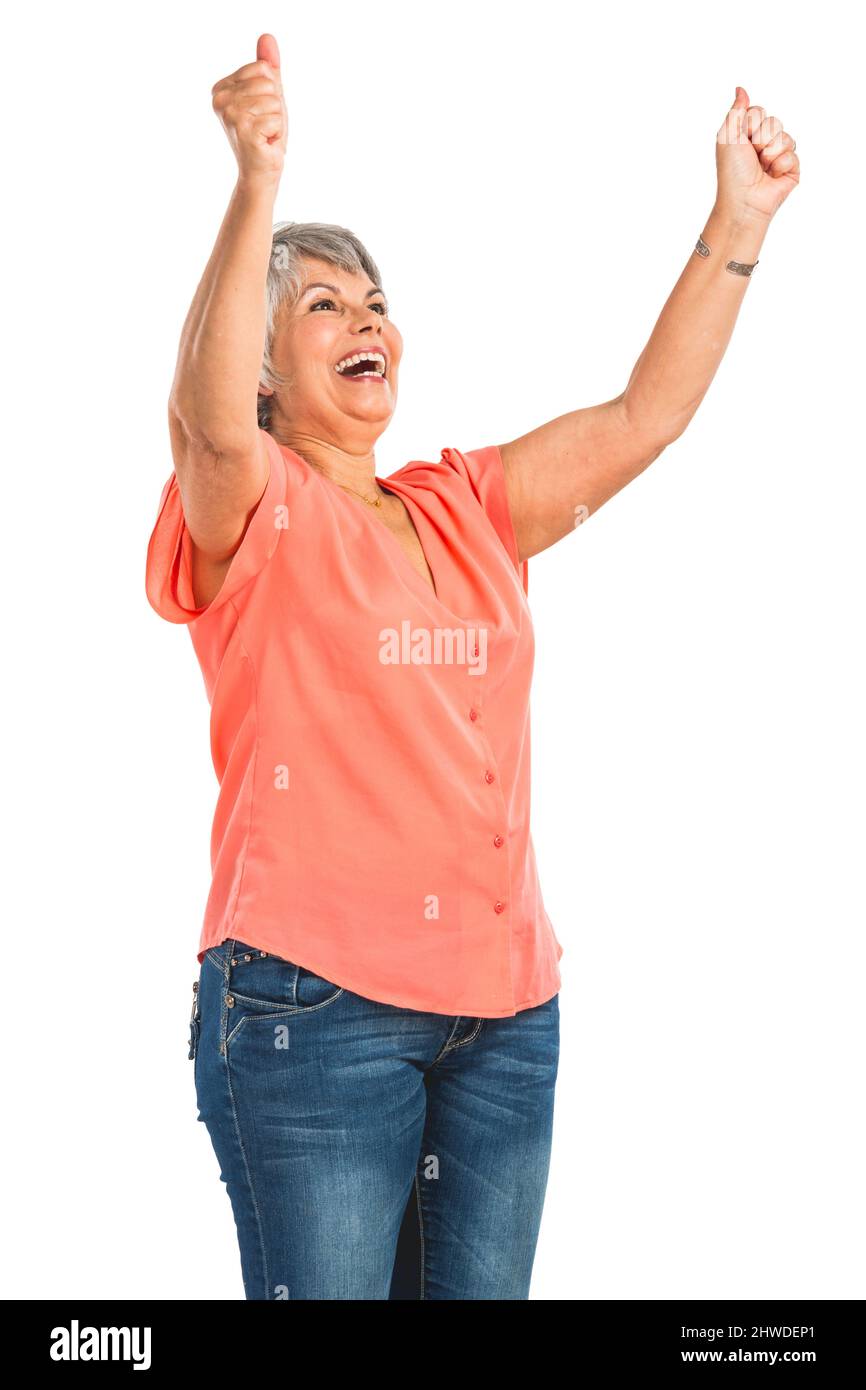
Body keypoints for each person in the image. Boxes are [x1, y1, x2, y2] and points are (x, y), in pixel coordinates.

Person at [145, 32, 800, 1300]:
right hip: (311, 1016)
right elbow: (205, 416)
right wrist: (254, 184)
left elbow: (640, 417)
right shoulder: (249, 502)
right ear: (272, 368)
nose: (365, 317)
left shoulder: (461, 504)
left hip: (503, 1019)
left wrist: (739, 219)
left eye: (375, 300)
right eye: (321, 303)